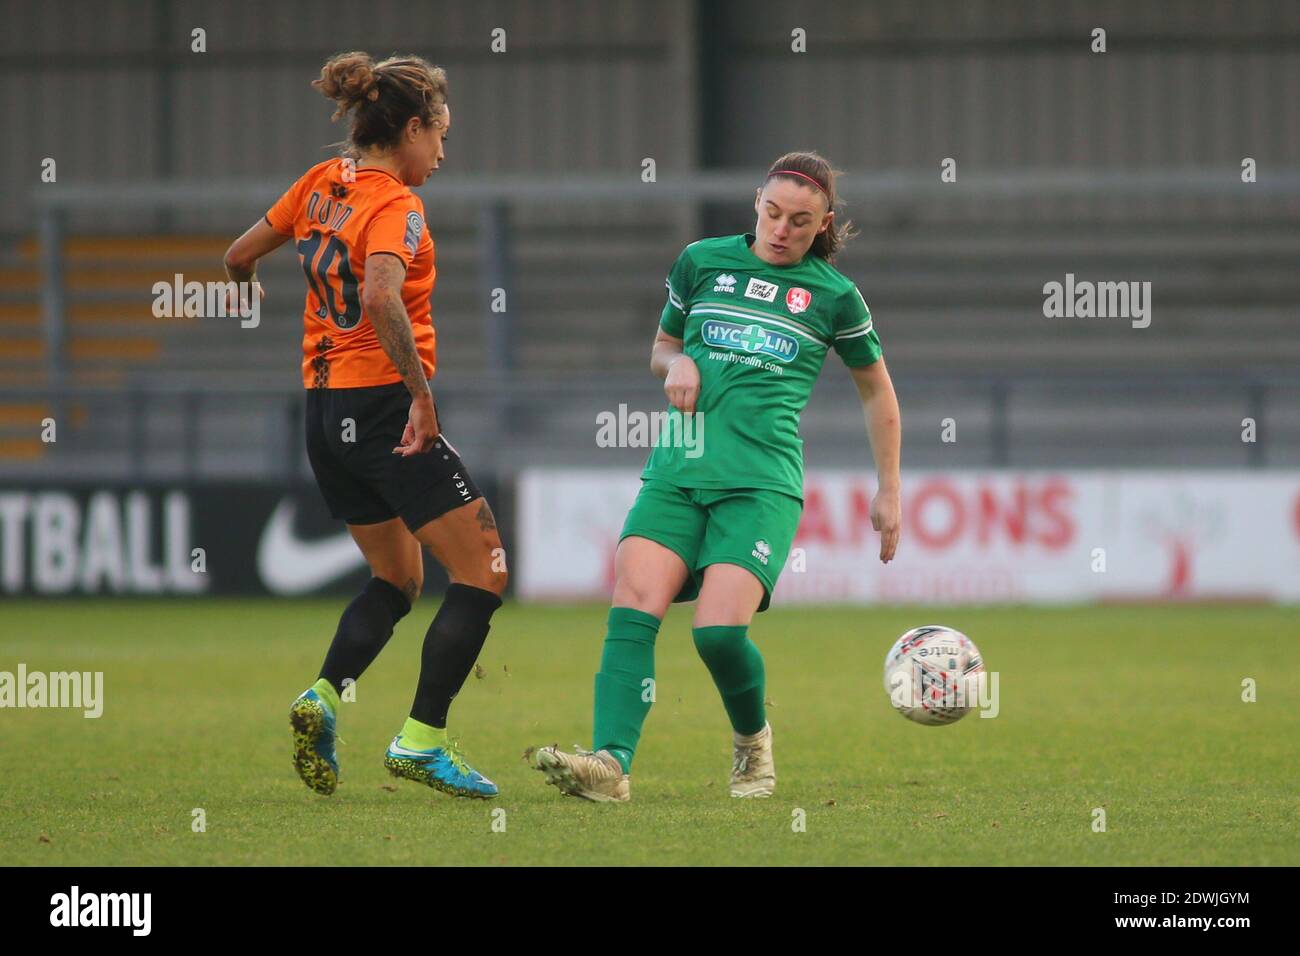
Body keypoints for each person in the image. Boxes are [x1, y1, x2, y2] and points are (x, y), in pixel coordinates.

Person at [534, 151, 902, 802]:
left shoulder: (834, 298)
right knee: (633, 603)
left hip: (760, 484)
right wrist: (672, 365)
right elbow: (662, 347)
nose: (782, 228)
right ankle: (611, 765)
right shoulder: (701, 261)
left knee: (718, 634)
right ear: (756, 201)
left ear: (823, 225)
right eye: (773, 212)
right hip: (676, 470)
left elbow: (876, 392)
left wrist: (890, 491)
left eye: (800, 220)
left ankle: (751, 739)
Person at [222, 52, 505, 800]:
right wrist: (420, 397)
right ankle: (422, 741)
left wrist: (255, 303)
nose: (442, 154)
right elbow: (382, 297)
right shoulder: (395, 205)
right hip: (382, 407)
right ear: (411, 128)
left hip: (321, 413)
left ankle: (322, 695)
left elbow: (238, 255)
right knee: (485, 568)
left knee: (399, 576)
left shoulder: (320, 185)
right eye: (440, 136)